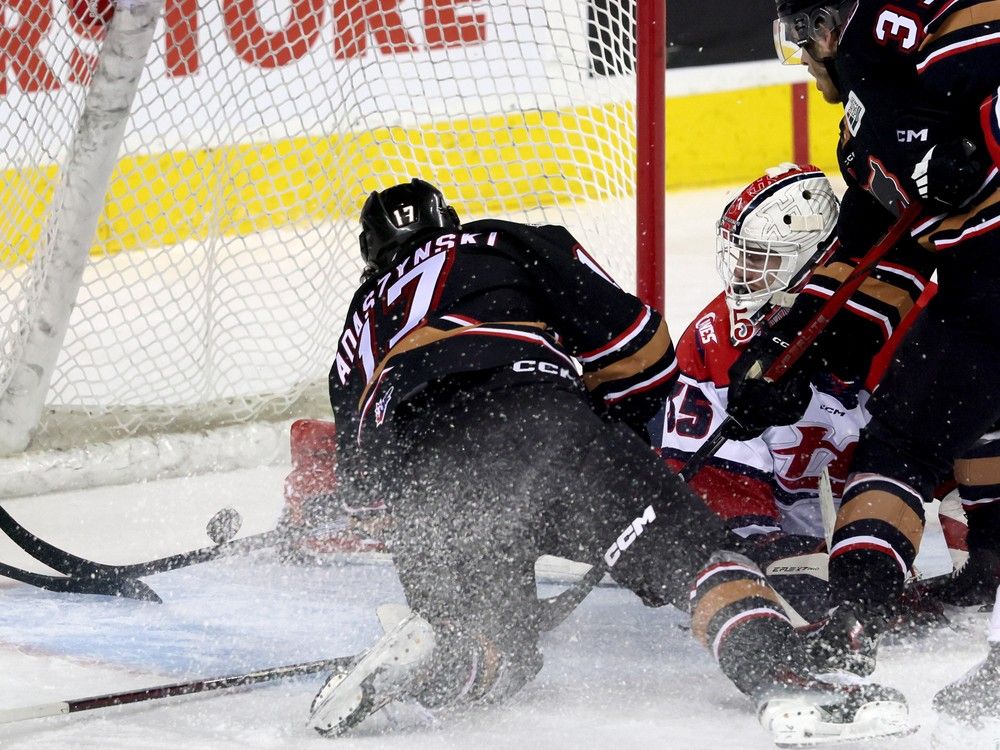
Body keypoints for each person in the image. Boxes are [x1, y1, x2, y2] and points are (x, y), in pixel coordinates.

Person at [305, 178, 908, 742]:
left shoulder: (355, 331)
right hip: (533, 423)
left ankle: (440, 661)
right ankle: (788, 681)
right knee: (696, 555)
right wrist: (614, 435)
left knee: (504, 652)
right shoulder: (501, 239)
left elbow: (363, 490)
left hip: (424, 497)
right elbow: (641, 349)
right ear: (448, 223)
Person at [723, 0, 1000, 736]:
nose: (806, 60)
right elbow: (882, 257)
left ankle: (854, 639)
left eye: (801, 35)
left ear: (827, 23)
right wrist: (792, 356)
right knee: (929, 431)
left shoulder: (924, 38)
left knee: (904, 448)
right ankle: (887, 619)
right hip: (982, 287)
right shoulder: (873, 120)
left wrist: (983, 136)